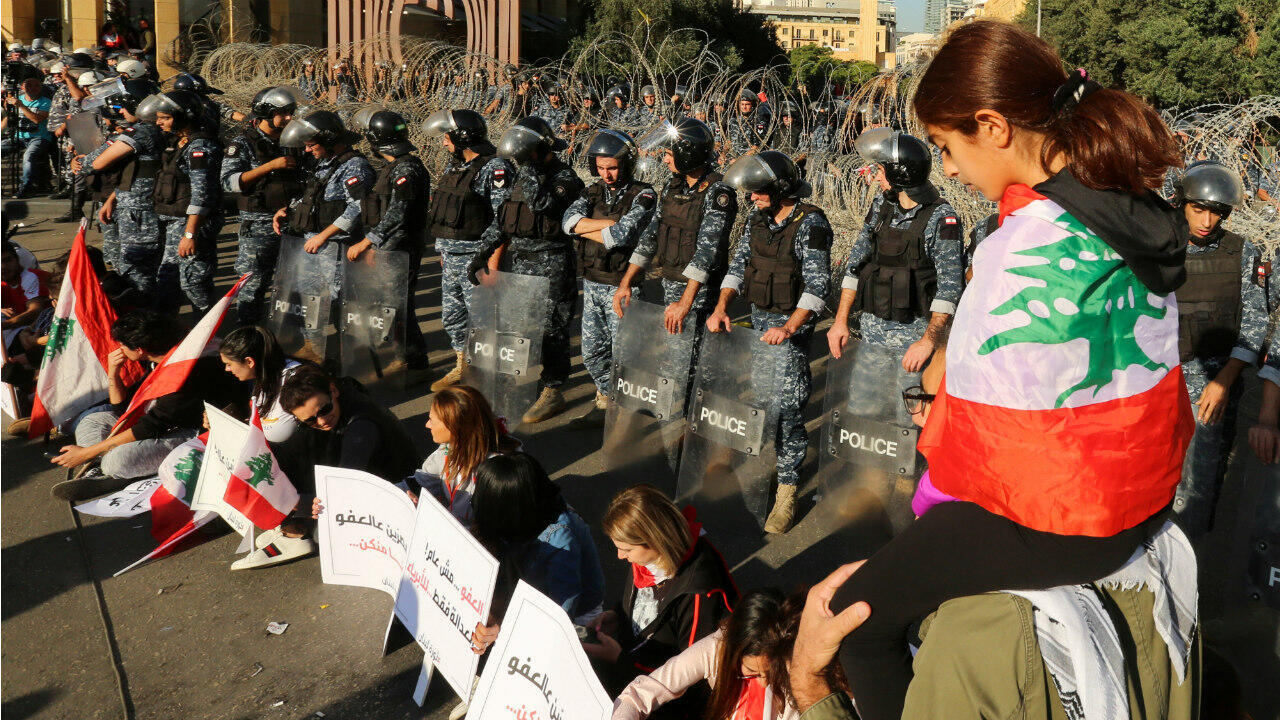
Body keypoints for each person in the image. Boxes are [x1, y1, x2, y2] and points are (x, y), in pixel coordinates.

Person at [823, 21, 1193, 720]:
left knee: (856, 617)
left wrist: (936, 378)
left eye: (947, 146)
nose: (951, 170)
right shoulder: (1120, 200)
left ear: (991, 125)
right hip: (1141, 487)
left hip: (1068, 518)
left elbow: (964, 435)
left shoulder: (1024, 247)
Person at [709, 151, 832, 533]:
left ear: (780, 188)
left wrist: (790, 328)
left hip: (787, 333)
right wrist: (721, 307)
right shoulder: (757, 219)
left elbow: (818, 285)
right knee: (763, 399)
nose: (752, 198)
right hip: (759, 324)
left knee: (790, 410)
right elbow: (737, 266)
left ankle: (788, 487)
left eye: (759, 192)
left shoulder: (809, 222)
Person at [1168, 161, 1269, 537]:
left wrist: (1224, 381)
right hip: (1161, 376)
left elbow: (1255, 321)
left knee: (1199, 480)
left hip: (1212, 380)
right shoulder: (1159, 246)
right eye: (1199, 209)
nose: (1207, 221)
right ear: (1181, 203)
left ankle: (1192, 554)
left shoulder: (1241, 252)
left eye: (1217, 212)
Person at [49, 310, 247, 500]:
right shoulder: (162, 356)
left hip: (192, 430)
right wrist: (113, 373)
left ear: (139, 350)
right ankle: (98, 466)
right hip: (158, 421)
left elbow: (150, 427)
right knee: (92, 420)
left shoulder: (185, 370)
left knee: (116, 461)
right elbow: (123, 408)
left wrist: (87, 452)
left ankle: (107, 469)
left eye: (122, 345)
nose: (119, 350)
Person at [826, 130, 964, 396]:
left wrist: (927, 342)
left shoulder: (941, 217)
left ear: (900, 174)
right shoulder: (882, 205)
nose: (876, 176)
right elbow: (856, 264)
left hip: (913, 342)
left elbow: (949, 288)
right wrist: (841, 321)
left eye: (880, 169)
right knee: (864, 412)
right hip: (872, 336)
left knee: (906, 421)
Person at [469, 116, 585, 423]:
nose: (519, 160)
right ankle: (509, 386)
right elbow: (503, 218)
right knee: (515, 327)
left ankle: (553, 389)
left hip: (552, 263)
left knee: (552, 330)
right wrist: (482, 252)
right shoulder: (522, 176)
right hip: (520, 262)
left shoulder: (565, 178)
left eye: (524, 153)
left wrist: (531, 169)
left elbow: (542, 205)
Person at [584, 485, 738, 699]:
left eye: (627, 549)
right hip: (634, 672)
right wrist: (619, 616)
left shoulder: (698, 597)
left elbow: (692, 680)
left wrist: (621, 660)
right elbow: (643, 605)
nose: (620, 556)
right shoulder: (649, 561)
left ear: (656, 540)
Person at [562, 129, 658, 427]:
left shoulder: (643, 194)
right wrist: (605, 226)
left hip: (621, 285)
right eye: (601, 168)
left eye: (613, 167)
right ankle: (607, 398)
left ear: (625, 165)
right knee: (592, 353)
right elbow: (568, 224)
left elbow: (621, 235)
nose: (607, 174)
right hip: (591, 283)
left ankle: (628, 409)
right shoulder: (591, 192)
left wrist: (589, 227)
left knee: (626, 355)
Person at [419, 109, 514, 392]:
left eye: (447, 137)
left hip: (478, 258)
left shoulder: (495, 168)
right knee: (453, 316)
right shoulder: (455, 167)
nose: (444, 142)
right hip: (452, 256)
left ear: (462, 137)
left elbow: (502, 220)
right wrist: (443, 251)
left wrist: (493, 263)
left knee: (483, 320)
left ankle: (488, 376)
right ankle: (464, 364)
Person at [612, 589, 804, 720]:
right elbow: (640, 693)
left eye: (773, 671)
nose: (764, 682)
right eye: (752, 671)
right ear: (732, 647)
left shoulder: (802, 669)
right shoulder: (716, 648)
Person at [348, 109, 431, 370]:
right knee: (390, 304)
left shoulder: (406, 168)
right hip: (390, 246)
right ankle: (404, 355)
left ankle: (415, 362)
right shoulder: (391, 167)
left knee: (398, 305)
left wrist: (367, 242)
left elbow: (398, 212)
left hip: (401, 247)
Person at [221, 86, 301, 325]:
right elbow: (228, 182)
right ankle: (248, 336)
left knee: (294, 288)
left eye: (290, 112)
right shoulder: (243, 143)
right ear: (266, 113)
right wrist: (270, 166)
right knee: (252, 288)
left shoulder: (293, 140)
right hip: (258, 226)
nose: (288, 118)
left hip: (293, 222)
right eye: (282, 113)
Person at [75, 79, 163, 295]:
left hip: (139, 212)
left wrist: (81, 161)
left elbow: (97, 162)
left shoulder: (142, 132)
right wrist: (112, 200)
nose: (121, 112)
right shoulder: (153, 129)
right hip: (134, 205)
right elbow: (135, 174)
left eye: (123, 106)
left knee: (136, 271)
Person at [143, 90, 223, 314]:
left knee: (193, 282)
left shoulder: (200, 147)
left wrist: (190, 235)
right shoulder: (179, 142)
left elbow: (201, 195)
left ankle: (208, 334)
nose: (159, 122)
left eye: (165, 118)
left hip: (192, 225)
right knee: (168, 281)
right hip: (174, 222)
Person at [279, 364, 420, 484]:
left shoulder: (361, 427)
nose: (321, 421)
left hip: (402, 488)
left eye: (324, 410)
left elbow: (346, 481)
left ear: (333, 391)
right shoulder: (338, 406)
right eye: (310, 420)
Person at [273, 111, 374, 268]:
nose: (307, 150)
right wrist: (289, 210)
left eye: (311, 145)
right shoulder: (326, 163)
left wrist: (323, 236)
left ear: (328, 141)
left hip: (337, 247)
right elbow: (316, 195)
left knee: (336, 292)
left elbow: (357, 207)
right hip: (315, 244)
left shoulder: (355, 165)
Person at [410, 384, 518, 523]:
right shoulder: (447, 450)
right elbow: (422, 481)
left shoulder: (497, 471)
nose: (427, 425)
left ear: (455, 427)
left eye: (432, 420)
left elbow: (493, 530)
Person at [1, 70, 53, 198]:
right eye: (29, 85)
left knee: (28, 157)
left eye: (36, 85)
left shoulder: (45, 102)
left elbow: (37, 119)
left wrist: (22, 106)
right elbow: (8, 119)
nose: (33, 88)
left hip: (39, 137)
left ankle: (25, 187)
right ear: (23, 87)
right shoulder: (17, 99)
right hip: (19, 136)